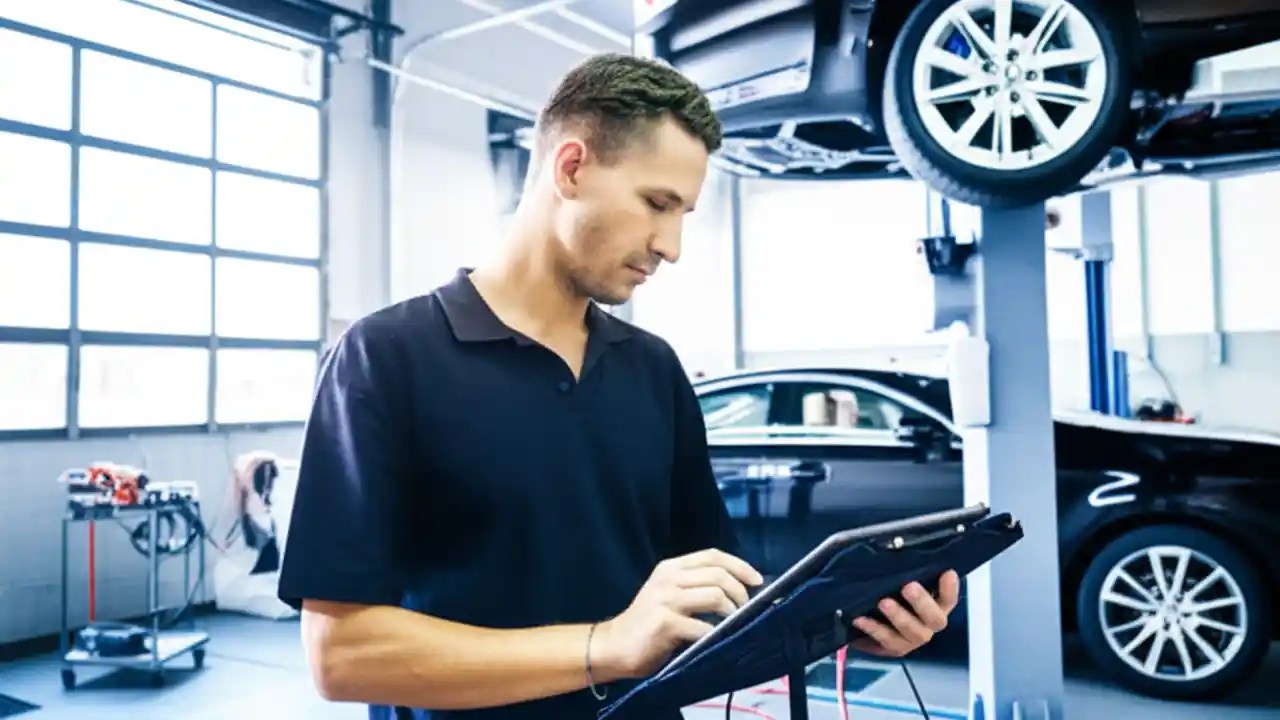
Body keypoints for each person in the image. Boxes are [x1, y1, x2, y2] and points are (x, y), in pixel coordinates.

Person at [277, 52, 960, 720]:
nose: (671, 245)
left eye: (684, 214)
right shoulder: (384, 359)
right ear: (571, 168)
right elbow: (343, 655)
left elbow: (721, 602)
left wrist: (849, 621)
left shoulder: (654, 370)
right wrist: (606, 646)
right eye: (656, 203)